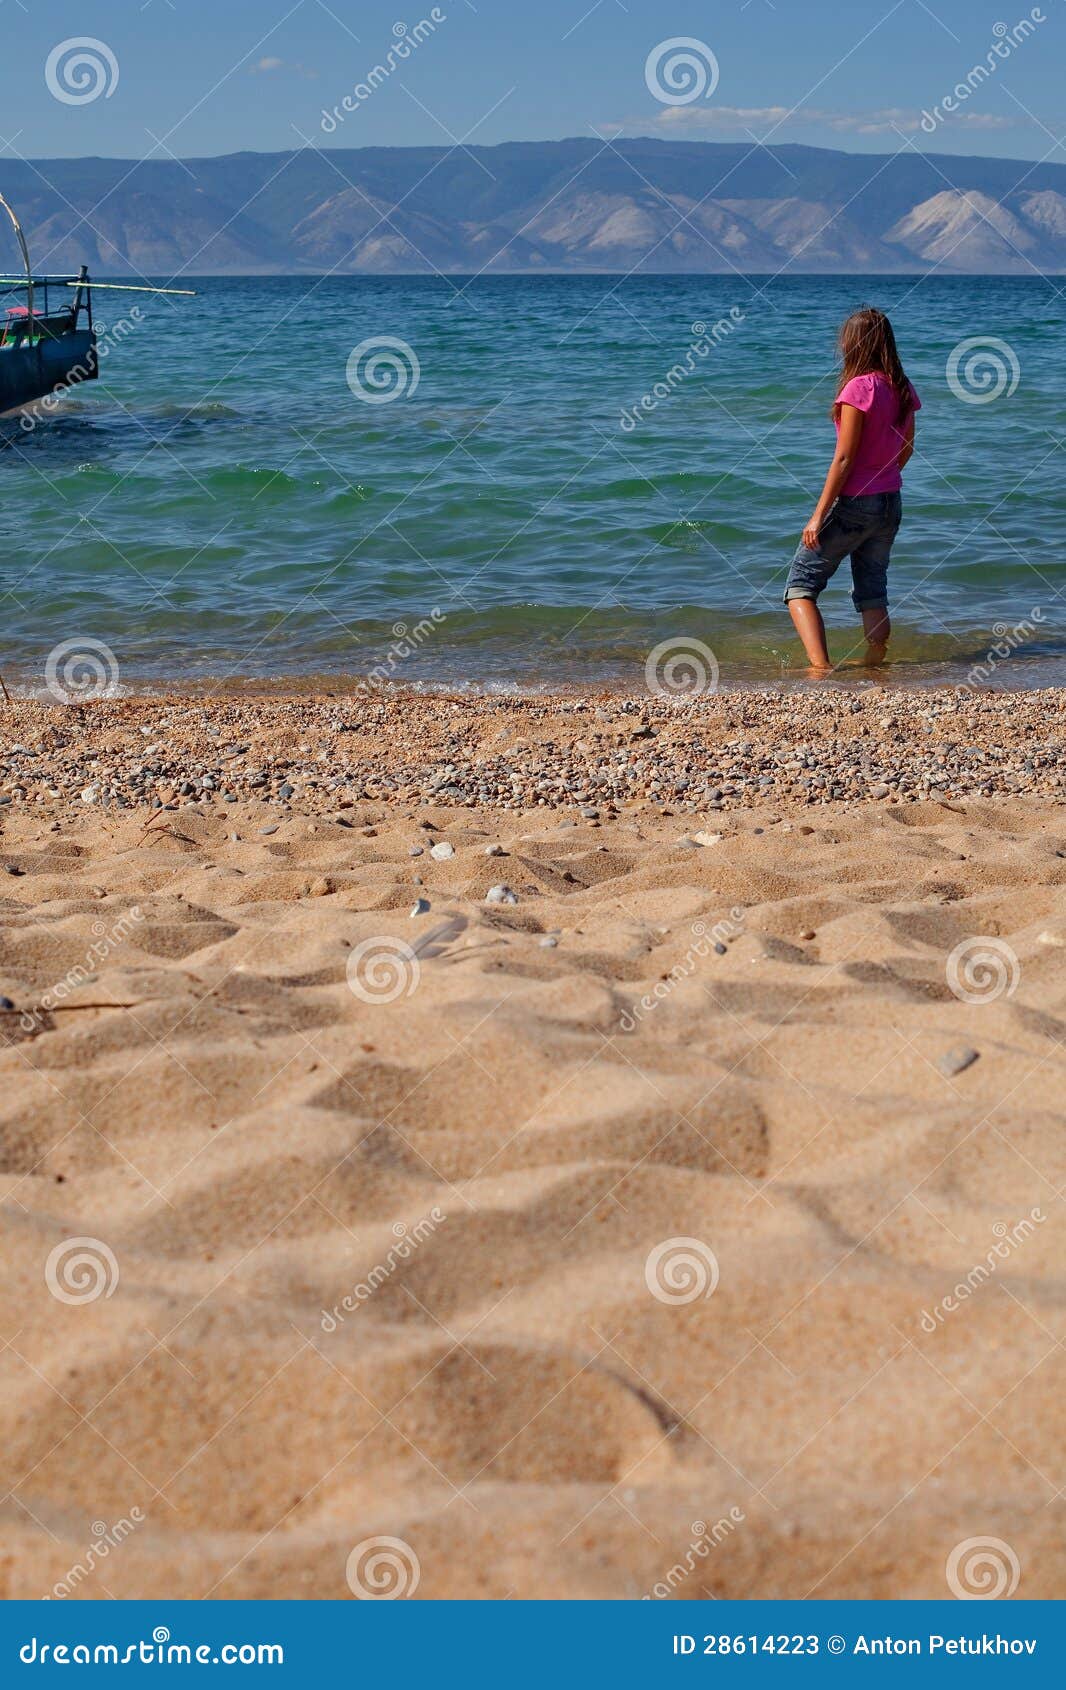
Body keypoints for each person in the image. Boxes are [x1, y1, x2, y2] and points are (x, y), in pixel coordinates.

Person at [783, 306, 920, 672]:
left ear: (856, 344)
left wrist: (817, 516)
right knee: (873, 588)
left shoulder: (858, 389)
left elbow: (844, 459)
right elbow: (907, 447)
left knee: (800, 585)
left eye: (845, 339)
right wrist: (883, 478)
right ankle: (875, 663)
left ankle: (820, 668)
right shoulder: (902, 387)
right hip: (890, 502)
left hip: (856, 504)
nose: (841, 344)